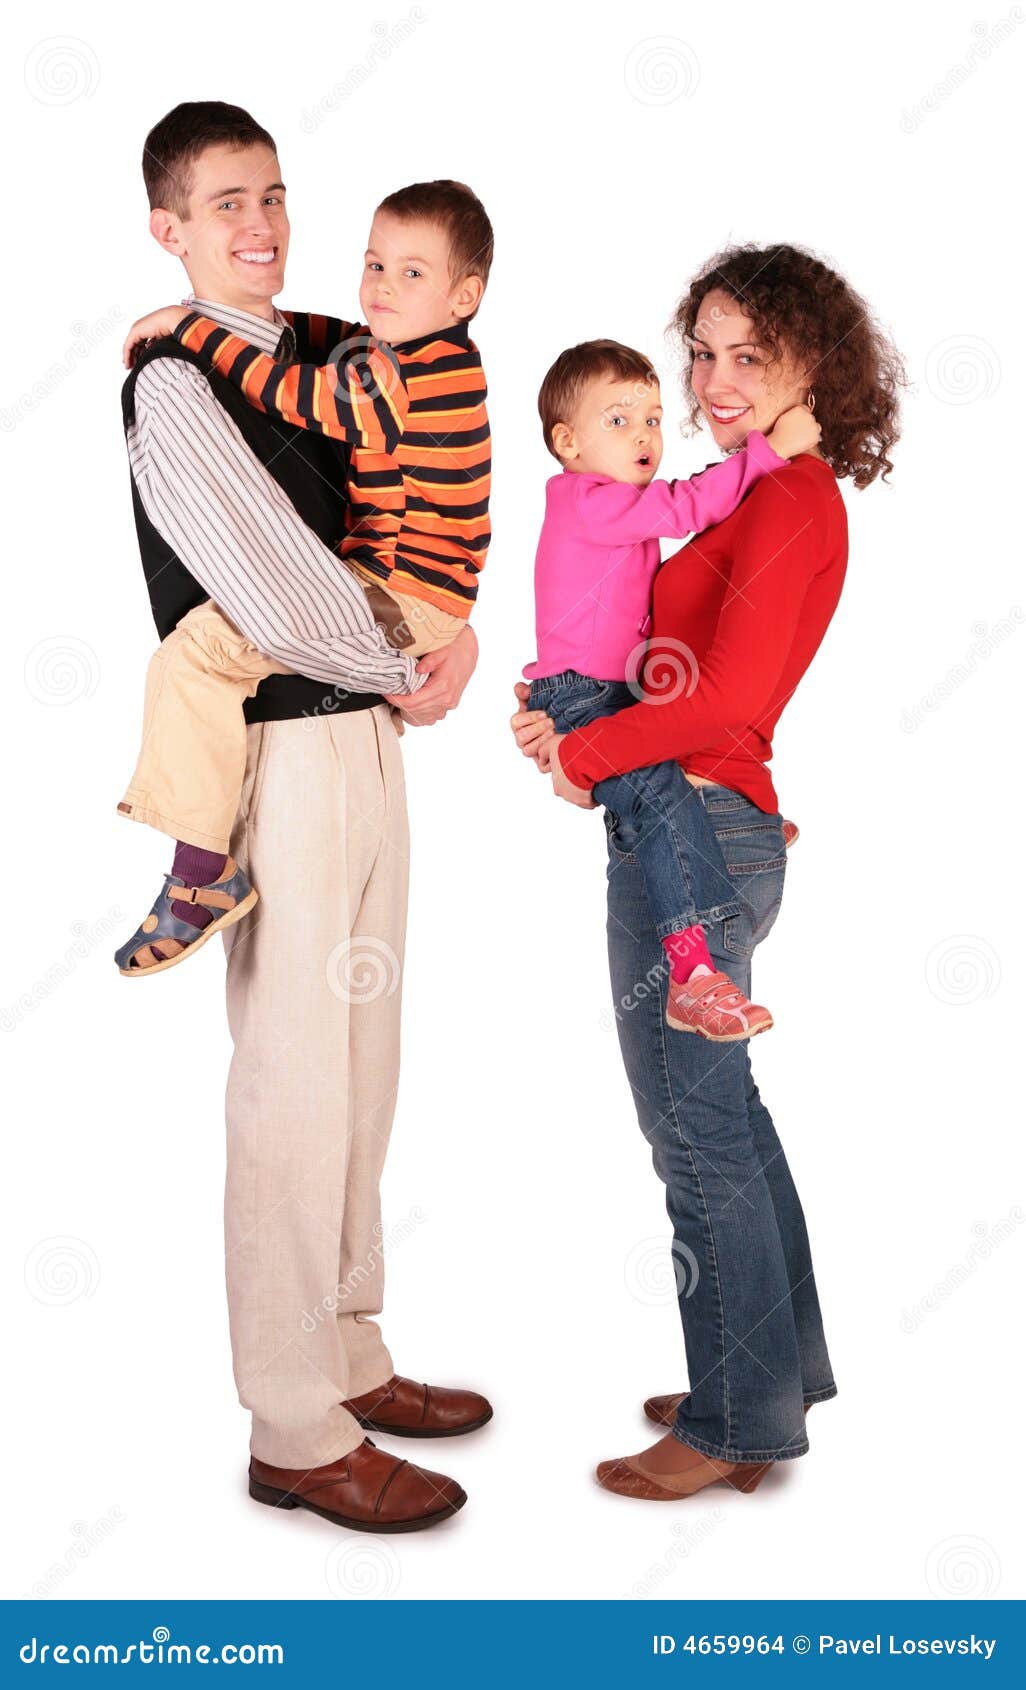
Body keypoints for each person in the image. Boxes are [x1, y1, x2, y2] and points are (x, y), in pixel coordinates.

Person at [122, 100, 491, 1534]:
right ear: (171, 228)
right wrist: (409, 660)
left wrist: (451, 642)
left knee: (363, 1057)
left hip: (369, 736)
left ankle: (348, 1354)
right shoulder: (177, 384)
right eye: (224, 205)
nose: (259, 225)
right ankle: (291, 1419)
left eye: (272, 195)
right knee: (290, 1079)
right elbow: (266, 591)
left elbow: (430, 419)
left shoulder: (332, 346)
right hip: (292, 747)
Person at [512, 243, 903, 1500]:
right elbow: (666, 661)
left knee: (694, 1137)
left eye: (752, 356)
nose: (715, 379)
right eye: (704, 351)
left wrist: (588, 744)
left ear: (815, 367)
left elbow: (728, 693)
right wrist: (576, 731)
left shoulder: (790, 502)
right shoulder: (755, 493)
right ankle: (771, 1373)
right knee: (725, 1119)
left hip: (706, 823)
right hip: (704, 814)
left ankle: (737, 1420)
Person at [115, 177, 491, 975]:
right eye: (375, 264)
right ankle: (197, 874)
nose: (383, 287)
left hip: (394, 612)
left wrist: (189, 328)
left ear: (465, 294)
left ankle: (198, 878)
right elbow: (335, 336)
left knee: (193, 655)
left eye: (411, 274)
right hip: (419, 608)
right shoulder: (438, 355)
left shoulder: (393, 380)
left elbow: (296, 388)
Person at [524, 337, 820, 1040]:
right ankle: (689, 976)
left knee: (661, 798)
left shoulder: (607, 503)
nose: (645, 435)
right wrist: (766, 453)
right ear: (567, 442)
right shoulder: (588, 501)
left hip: (605, 689)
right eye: (619, 420)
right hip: (585, 695)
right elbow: (688, 507)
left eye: (653, 419)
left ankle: (724, 830)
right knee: (659, 806)